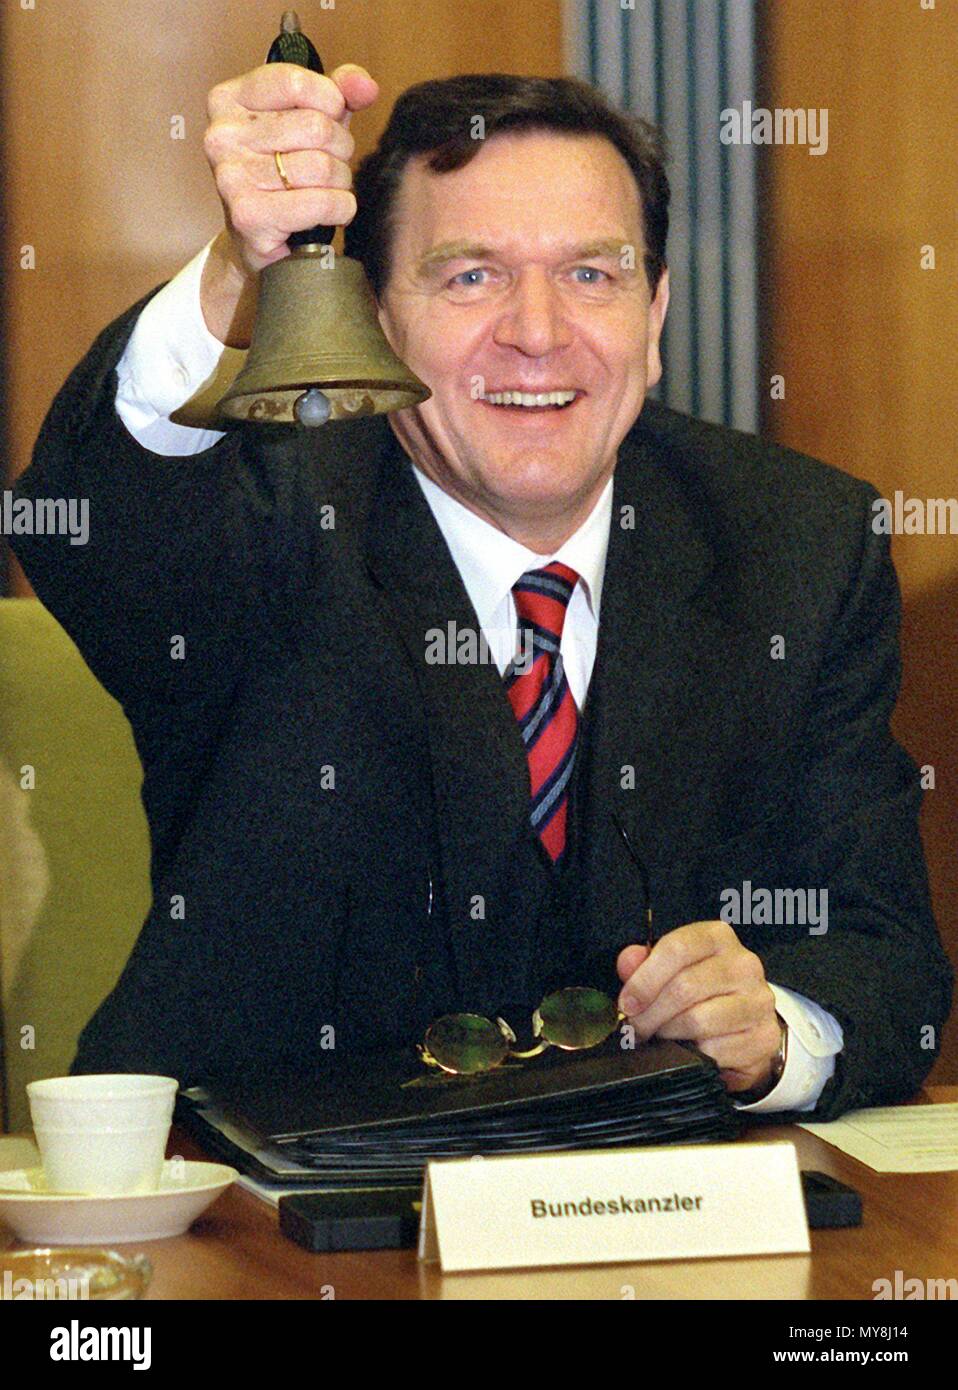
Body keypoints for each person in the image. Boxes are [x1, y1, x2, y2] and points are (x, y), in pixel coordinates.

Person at [9, 64, 951, 1120]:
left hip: (659, 1198)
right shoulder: (268, 511)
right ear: (373, 315)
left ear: (654, 314)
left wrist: (772, 1030)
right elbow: (101, 516)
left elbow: (881, 952)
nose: (537, 332)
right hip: (269, 1187)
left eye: (591, 274)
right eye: (470, 277)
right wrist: (240, 267)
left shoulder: (796, 542)